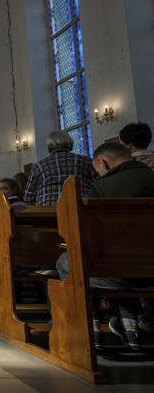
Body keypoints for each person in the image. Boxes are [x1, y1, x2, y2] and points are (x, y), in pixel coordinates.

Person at [55, 142, 154, 350]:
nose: (98, 173)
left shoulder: (102, 188)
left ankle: (88, 326)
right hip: (147, 272)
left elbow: (90, 236)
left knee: (66, 261)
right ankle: (130, 325)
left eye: (97, 169)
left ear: (103, 162)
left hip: (117, 272)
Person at [23, 130, 96, 205]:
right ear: (71, 146)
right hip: (81, 210)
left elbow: (28, 198)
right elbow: (98, 188)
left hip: (48, 213)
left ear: (48, 149)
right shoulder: (87, 161)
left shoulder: (38, 167)